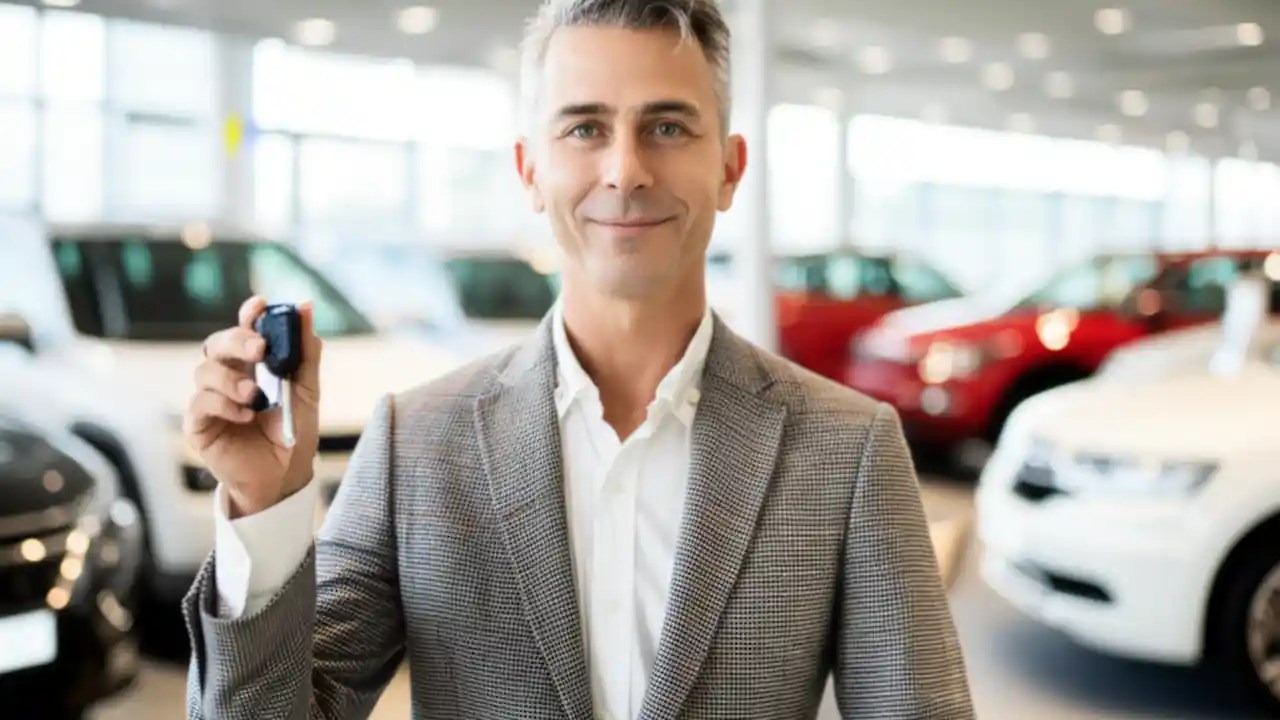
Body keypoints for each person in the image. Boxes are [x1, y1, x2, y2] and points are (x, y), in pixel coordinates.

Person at [182, 0, 974, 717]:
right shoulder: (417, 443)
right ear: (531, 168)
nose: (625, 169)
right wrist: (264, 513)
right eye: (585, 128)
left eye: (667, 126)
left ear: (729, 168)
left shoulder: (848, 448)